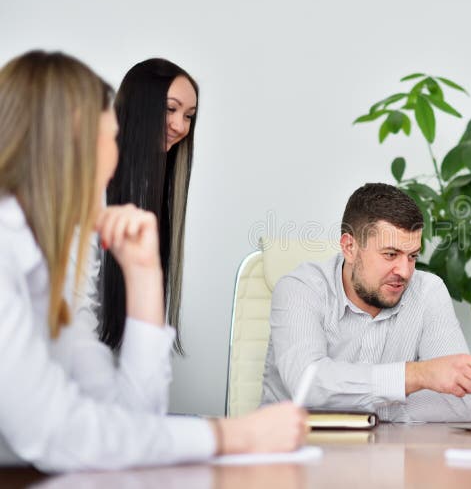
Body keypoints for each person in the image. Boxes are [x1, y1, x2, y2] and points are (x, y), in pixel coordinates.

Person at [0, 50, 306, 472]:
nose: (114, 166)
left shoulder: (47, 260)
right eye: (111, 137)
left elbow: (127, 417)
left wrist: (145, 277)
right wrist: (233, 435)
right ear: (70, 142)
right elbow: (61, 436)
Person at [261, 183, 471, 422]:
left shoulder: (428, 291)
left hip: (387, 454)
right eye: (390, 255)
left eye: (412, 256)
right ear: (349, 247)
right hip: (295, 449)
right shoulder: (300, 288)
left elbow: (461, 404)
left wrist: (363, 406)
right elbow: (307, 385)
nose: (404, 271)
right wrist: (417, 376)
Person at [100, 58, 198, 353]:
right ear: (140, 105)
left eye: (189, 115)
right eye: (171, 109)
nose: (180, 125)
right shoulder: (94, 189)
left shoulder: (148, 187)